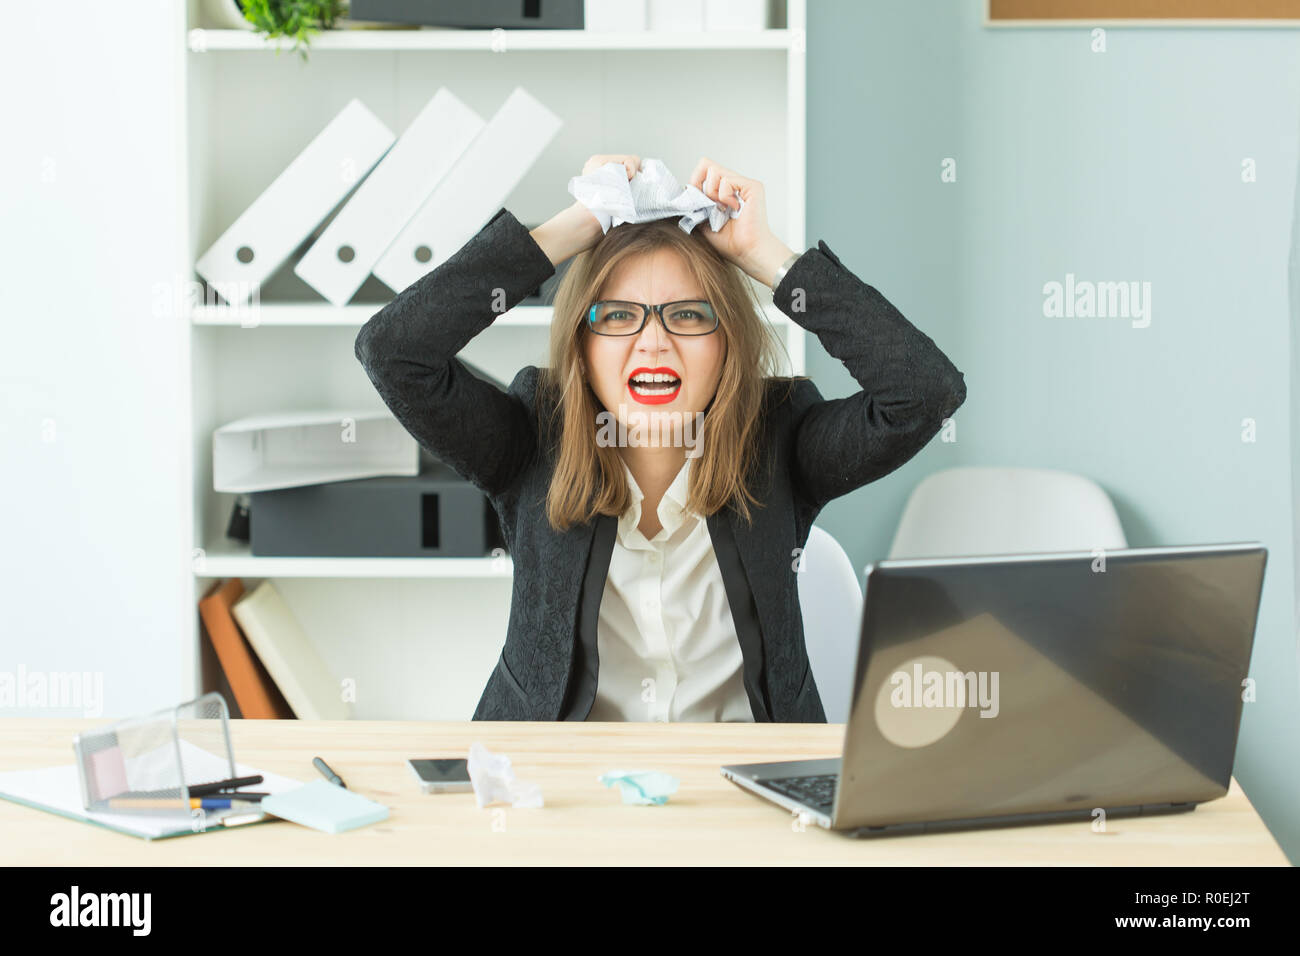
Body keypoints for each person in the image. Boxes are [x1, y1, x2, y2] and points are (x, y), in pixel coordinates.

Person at [354, 154, 966, 723]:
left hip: (745, 793)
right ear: (582, 345)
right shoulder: (532, 434)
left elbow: (924, 391)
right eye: (617, 315)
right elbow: (393, 350)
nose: (652, 342)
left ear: (728, 345)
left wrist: (766, 256)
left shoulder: (780, 436)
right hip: (562, 790)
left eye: (690, 314)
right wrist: (571, 229)